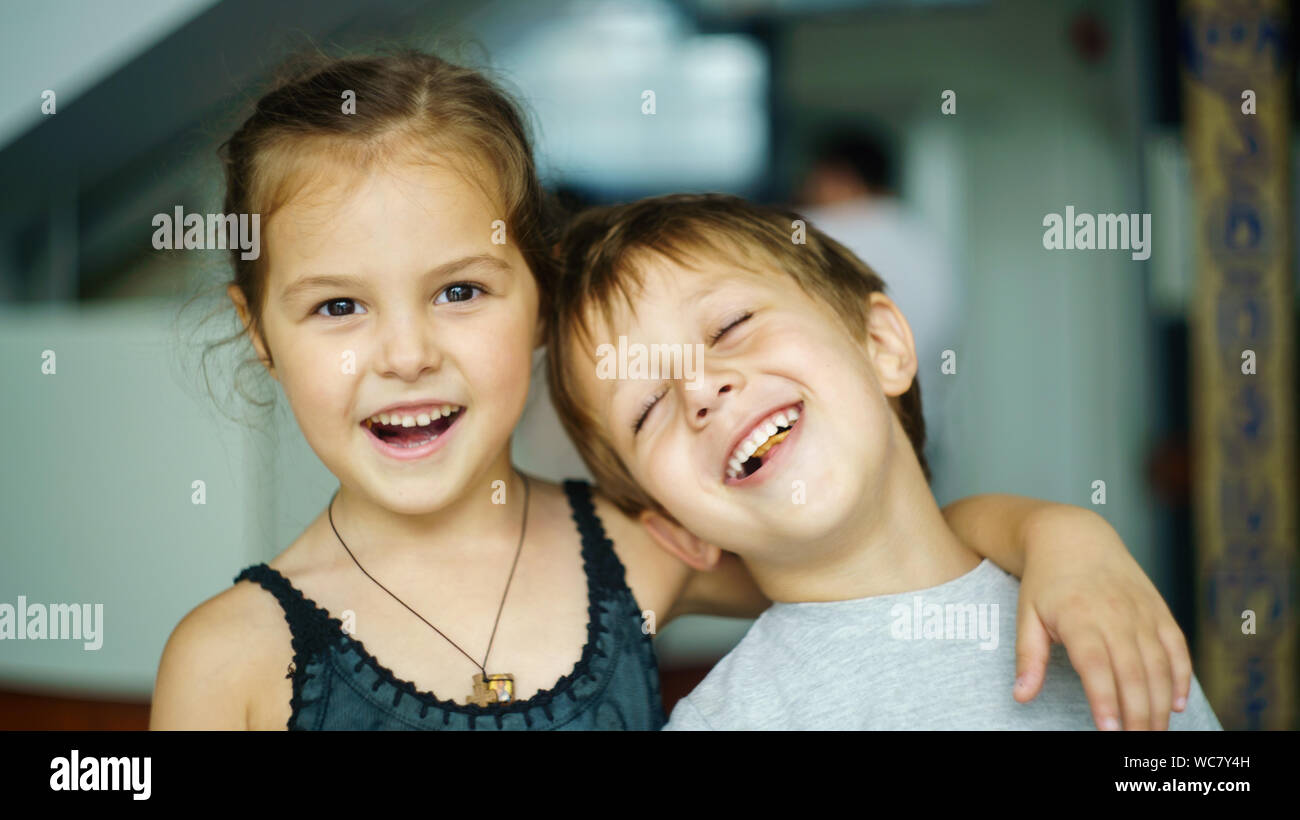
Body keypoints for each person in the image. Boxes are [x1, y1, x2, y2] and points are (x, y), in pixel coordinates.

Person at [152, 52, 1194, 731]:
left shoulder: (635, 539)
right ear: (261, 337)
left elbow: (890, 560)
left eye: (461, 290)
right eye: (338, 308)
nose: (408, 352)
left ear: (536, 304)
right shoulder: (230, 657)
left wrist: (1068, 537)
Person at [546, 193, 1220, 730]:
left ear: (881, 344)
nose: (700, 389)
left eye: (729, 327)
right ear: (676, 529)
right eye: (648, 406)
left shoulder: (1098, 616)